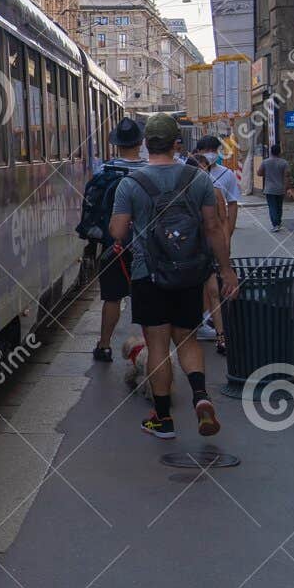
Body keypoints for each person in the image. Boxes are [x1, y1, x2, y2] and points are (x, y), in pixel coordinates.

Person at [107, 113, 239, 440]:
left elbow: (118, 232)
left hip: (147, 274)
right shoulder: (199, 179)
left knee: (157, 346)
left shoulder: (130, 184)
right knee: (188, 338)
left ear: (146, 144)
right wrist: (226, 270)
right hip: (189, 273)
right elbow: (213, 229)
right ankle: (201, 397)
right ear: (176, 142)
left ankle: (162, 420)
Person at [80, 116, 146, 362]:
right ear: (140, 142)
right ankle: (149, 347)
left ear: (117, 144)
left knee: (112, 298)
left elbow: (92, 209)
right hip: (144, 247)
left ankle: (104, 345)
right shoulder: (149, 171)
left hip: (113, 246)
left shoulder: (104, 171)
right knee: (145, 295)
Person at [193, 136, 240, 343]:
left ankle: (213, 321)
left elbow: (232, 205)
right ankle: (208, 320)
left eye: (214, 149)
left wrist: (227, 235)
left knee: (216, 281)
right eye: (206, 150)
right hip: (197, 240)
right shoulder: (191, 173)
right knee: (206, 283)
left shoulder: (226, 175)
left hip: (217, 236)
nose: (210, 153)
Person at [258, 144, 289, 231]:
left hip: (269, 189)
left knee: (272, 206)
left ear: (271, 152)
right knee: (279, 206)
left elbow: (259, 173)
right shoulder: (284, 163)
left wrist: (267, 174)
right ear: (280, 152)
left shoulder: (265, 162)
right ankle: (278, 222)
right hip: (280, 188)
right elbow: (286, 176)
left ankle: (275, 224)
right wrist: (286, 188)